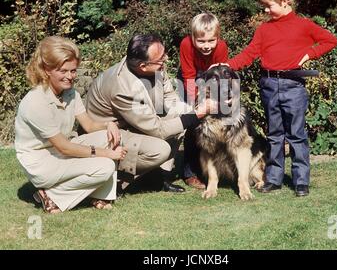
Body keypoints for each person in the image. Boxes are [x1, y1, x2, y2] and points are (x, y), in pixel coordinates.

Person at [225, 0, 337, 196]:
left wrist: (309, 53)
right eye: (264, 6)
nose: (265, 10)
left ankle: (301, 181)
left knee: (296, 134)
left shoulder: (303, 25)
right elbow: (249, 54)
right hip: (268, 84)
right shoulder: (264, 30)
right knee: (275, 134)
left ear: (285, 0)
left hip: (293, 85)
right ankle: (274, 179)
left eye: (269, 5)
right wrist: (227, 65)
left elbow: (330, 40)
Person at [84, 33, 216, 193]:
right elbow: (157, 130)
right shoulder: (123, 88)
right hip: (107, 132)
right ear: (143, 66)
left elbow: (169, 97)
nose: (166, 59)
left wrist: (191, 110)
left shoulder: (155, 66)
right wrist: (195, 115)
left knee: (179, 119)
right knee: (160, 149)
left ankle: (160, 178)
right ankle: (121, 178)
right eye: (161, 59)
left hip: (136, 121)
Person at [15, 36, 127, 214]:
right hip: (42, 162)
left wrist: (109, 125)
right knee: (105, 166)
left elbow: (89, 125)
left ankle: (98, 194)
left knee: (111, 137)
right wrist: (108, 154)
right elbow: (64, 147)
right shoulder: (36, 101)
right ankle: (52, 195)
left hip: (60, 151)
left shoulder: (70, 93)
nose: (70, 76)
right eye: (63, 71)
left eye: (73, 71)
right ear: (46, 70)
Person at [178, 13, 229, 189]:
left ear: (218, 38)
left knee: (215, 123)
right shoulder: (186, 45)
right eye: (201, 41)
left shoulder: (221, 47)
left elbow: (220, 76)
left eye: (211, 41)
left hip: (212, 79)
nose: (206, 46)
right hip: (190, 79)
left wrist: (218, 99)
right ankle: (190, 172)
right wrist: (197, 103)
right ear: (193, 38)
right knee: (193, 125)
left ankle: (214, 169)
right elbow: (189, 76)